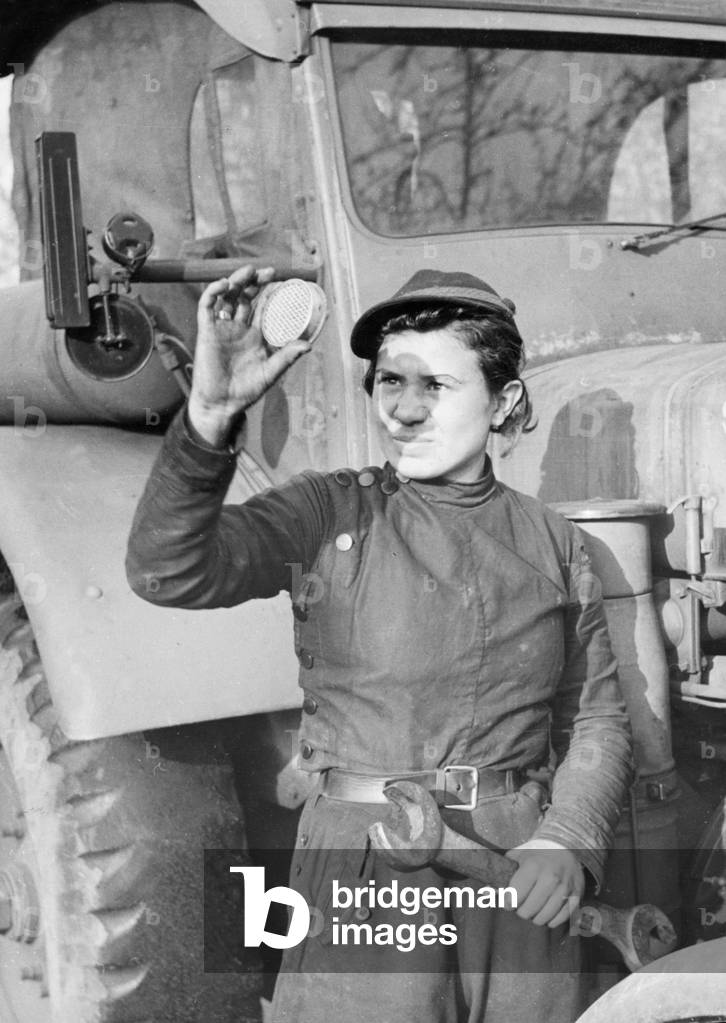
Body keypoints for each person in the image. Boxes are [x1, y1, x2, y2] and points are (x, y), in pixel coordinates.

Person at [126, 266, 633, 1023]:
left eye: (436, 384)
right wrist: (209, 418)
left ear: (503, 401)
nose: (404, 409)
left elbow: (595, 717)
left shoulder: (553, 542)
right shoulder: (328, 512)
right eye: (389, 382)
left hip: (519, 873)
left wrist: (568, 836)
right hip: (367, 869)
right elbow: (167, 570)